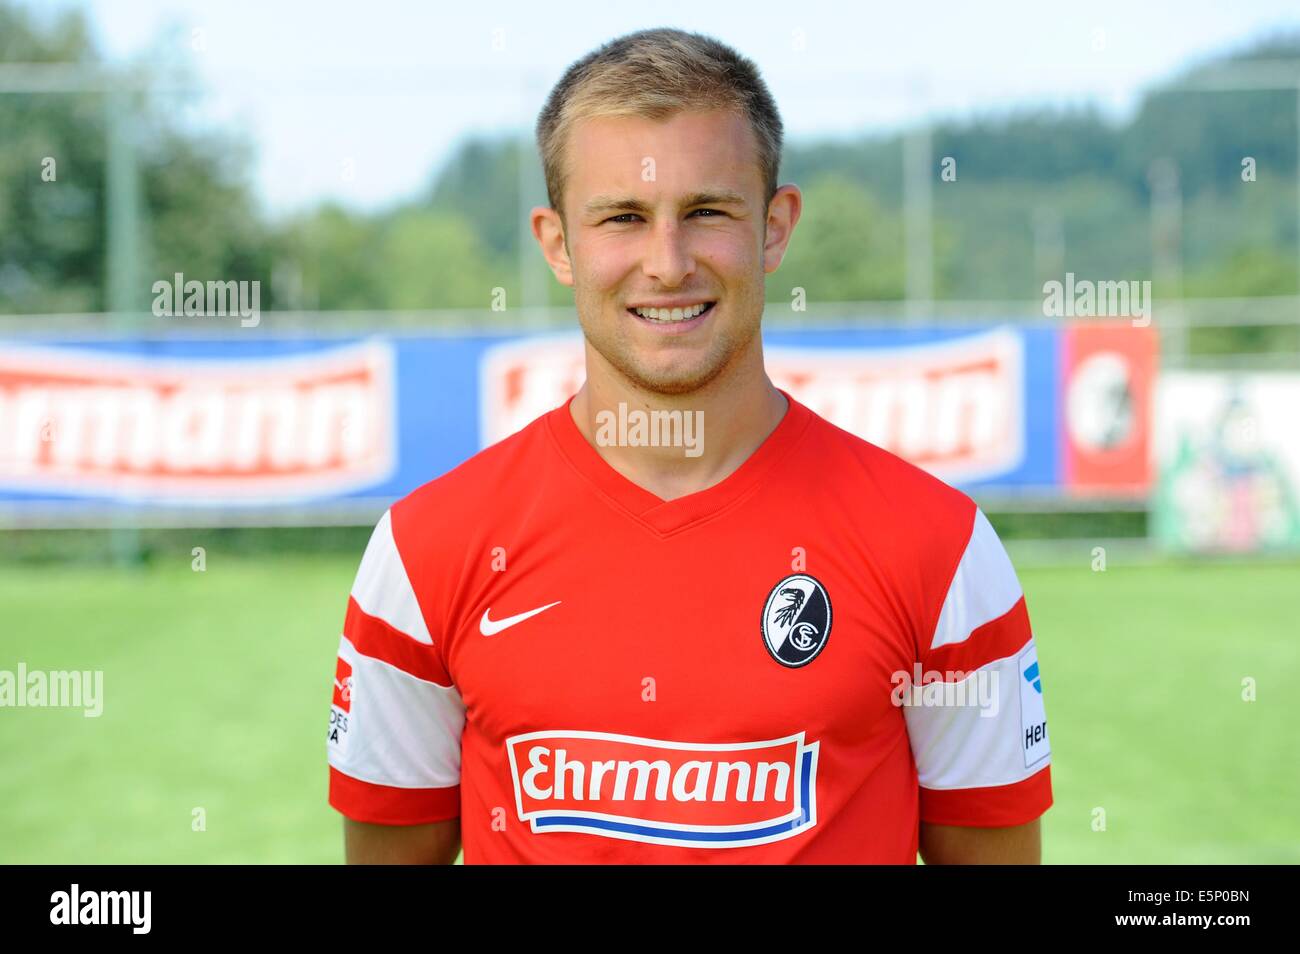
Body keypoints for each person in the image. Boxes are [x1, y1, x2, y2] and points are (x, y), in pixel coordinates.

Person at [327, 27, 1051, 864]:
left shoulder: (941, 548)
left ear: (775, 228)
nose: (667, 264)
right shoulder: (425, 552)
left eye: (707, 212)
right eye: (623, 218)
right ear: (557, 244)